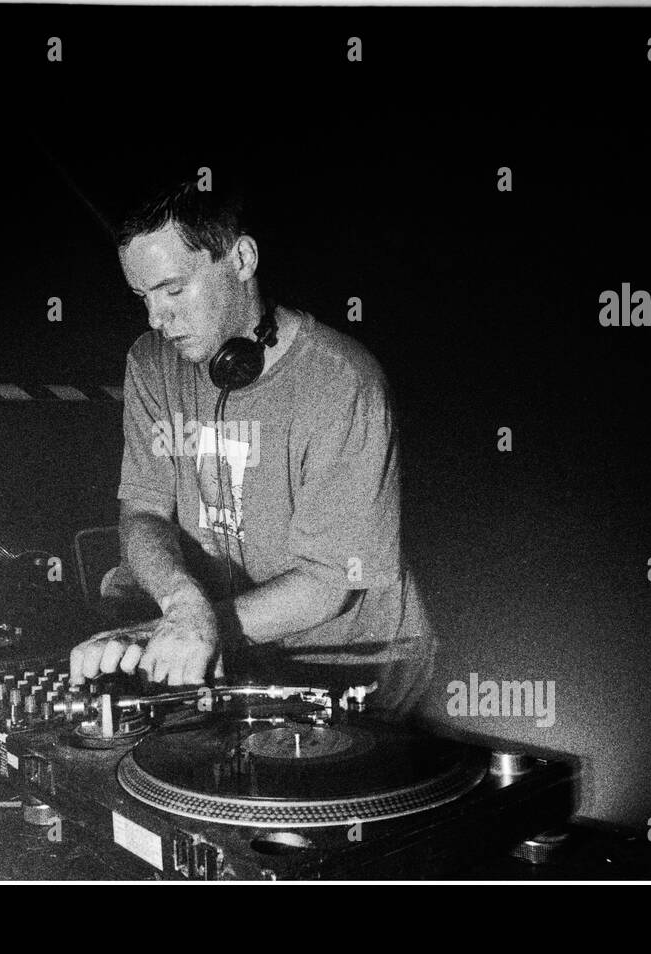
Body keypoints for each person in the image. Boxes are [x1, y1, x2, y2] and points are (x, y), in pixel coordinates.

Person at [69, 177, 436, 716]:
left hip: (359, 659)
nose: (156, 319)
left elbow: (329, 583)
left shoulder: (342, 382)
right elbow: (143, 511)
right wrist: (180, 603)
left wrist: (188, 627)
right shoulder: (150, 362)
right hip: (237, 645)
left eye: (173, 290)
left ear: (241, 259)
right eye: (142, 297)